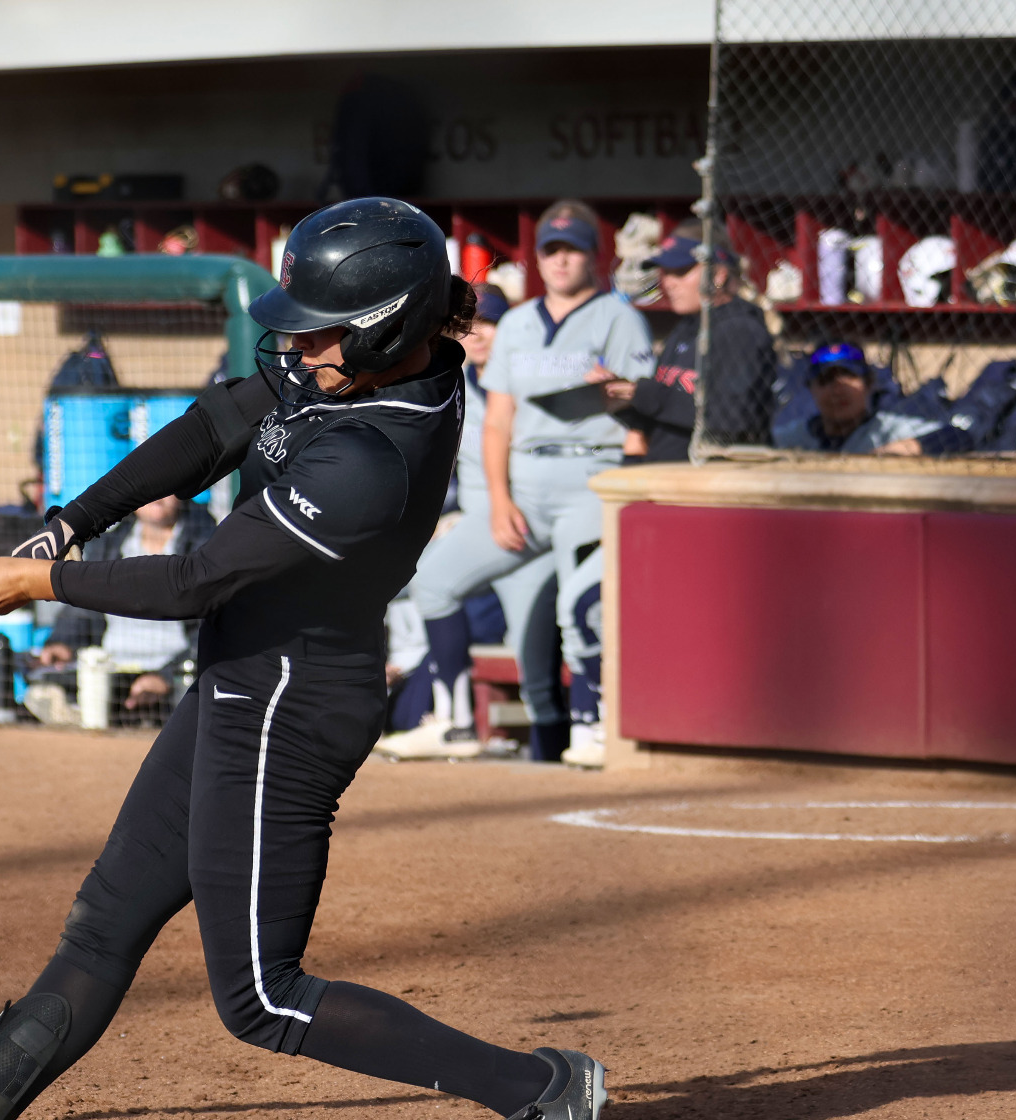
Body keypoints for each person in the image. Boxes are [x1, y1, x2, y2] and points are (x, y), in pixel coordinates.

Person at [0, 198, 608, 1120]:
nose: (295, 347)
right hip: (243, 679)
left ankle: (541, 1088)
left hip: (292, 701)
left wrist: (41, 584)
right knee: (105, 923)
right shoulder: (349, 367)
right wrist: (65, 525)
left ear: (385, 332)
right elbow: (216, 428)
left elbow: (198, 578)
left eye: (319, 330)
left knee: (262, 996)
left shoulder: (371, 458)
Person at [381, 200, 653, 769]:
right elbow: (499, 421)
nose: (561, 260)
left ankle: (594, 727)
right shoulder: (522, 323)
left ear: (593, 256)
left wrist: (624, 406)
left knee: (579, 609)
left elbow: (641, 420)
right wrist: (501, 500)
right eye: (551, 250)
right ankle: (454, 722)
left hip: (592, 477)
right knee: (434, 581)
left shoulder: (619, 317)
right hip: (525, 488)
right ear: (539, 258)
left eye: (572, 249)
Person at [378, 285, 561, 759]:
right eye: (466, 326)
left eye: (490, 323)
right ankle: (451, 721)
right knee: (420, 586)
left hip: (522, 530)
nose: (477, 335)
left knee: (533, 659)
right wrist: (446, 515)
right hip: (473, 531)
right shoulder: (449, 381)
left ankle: (552, 756)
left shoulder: (526, 381)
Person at [591, 227, 775, 462]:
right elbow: (667, 419)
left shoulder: (741, 331)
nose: (668, 282)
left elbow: (733, 421)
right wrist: (623, 400)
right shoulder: (685, 328)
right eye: (665, 272)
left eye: (680, 272)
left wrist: (649, 395)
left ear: (718, 275)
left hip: (715, 478)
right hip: (669, 475)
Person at [33, 494, 215, 721]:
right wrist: (63, 643)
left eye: (167, 486)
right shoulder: (111, 545)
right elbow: (84, 606)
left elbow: (213, 629)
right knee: (44, 684)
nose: (158, 494)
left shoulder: (207, 550)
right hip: (110, 671)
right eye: (150, 486)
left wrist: (167, 677)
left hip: (178, 678)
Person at [771, 343, 974, 455]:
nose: (837, 391)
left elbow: (959, 437)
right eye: (826, 380)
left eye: (849, 378)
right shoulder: (793, 436)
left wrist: (903, 449)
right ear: (811, 388)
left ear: (869, 384)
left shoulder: (887, 430)